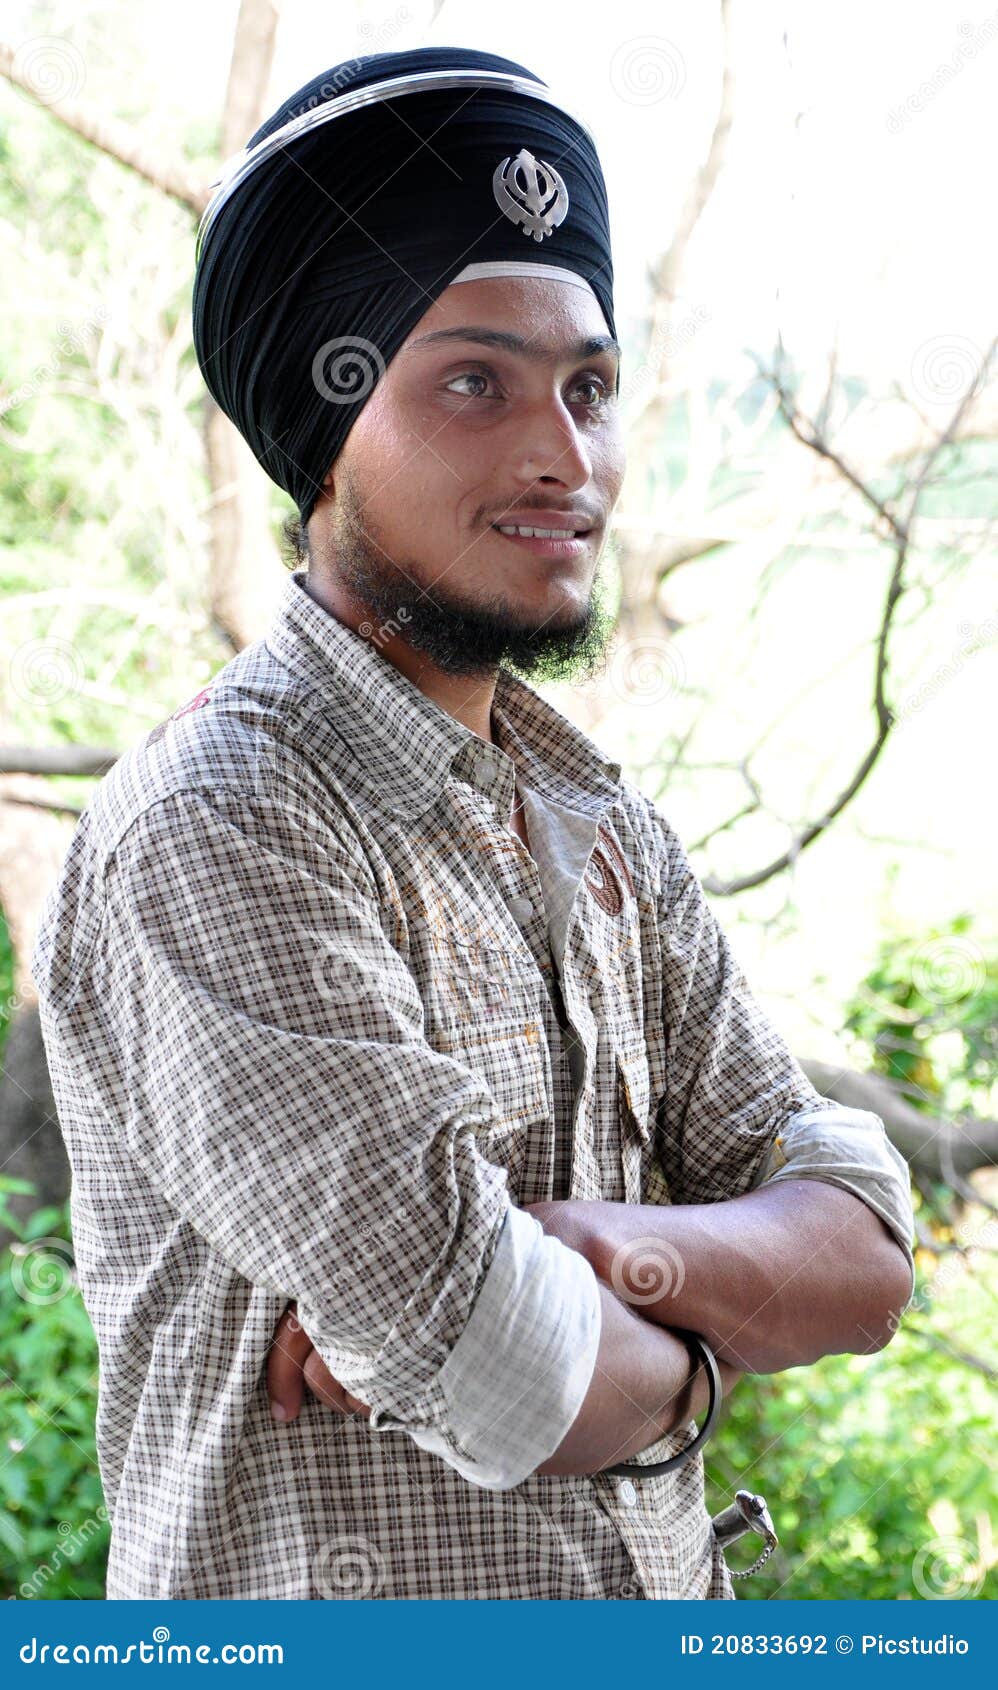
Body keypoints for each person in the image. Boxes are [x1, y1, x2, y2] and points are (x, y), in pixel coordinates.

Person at [32, 46, 914, 1601]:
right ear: (323, 427)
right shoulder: (223, 826)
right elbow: (515, 1372)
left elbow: (860, 1250)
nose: (564, 455)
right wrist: (703, 1350)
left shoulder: (598, 826)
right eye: (471, 383)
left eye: (588, 388)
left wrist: (580, 1245)